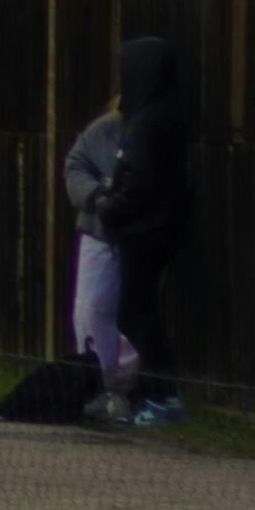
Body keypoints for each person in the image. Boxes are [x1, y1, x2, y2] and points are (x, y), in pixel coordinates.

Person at [99, 32, 192, 430]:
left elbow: (137, 180)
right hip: (162, 226)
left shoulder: (147, 121)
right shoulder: (169, 115)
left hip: (143, 230)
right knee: (146, 310)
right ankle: (164, 394)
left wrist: (110, 207)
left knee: (137, 314)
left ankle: (155, 395)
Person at [63, 91, 129, 410]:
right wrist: (98, 197)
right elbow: (76, 164)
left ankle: (113, 383)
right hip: (99, 232)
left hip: (131, 235)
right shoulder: (105, 128)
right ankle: (94, 384)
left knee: (100, 310)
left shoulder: (148, 128)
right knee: (87, 311)